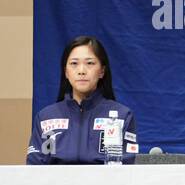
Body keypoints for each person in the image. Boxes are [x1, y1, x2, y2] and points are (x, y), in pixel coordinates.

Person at [26, 36, 139, 164]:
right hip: (57, 184)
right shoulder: (46, 117)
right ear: (66, 72)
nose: (81, 71)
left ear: (102, 71)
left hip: (105, 183)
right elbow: (34, 170)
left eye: (90, 63)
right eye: (74, 64)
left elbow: (125, 171)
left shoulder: (122, 116)